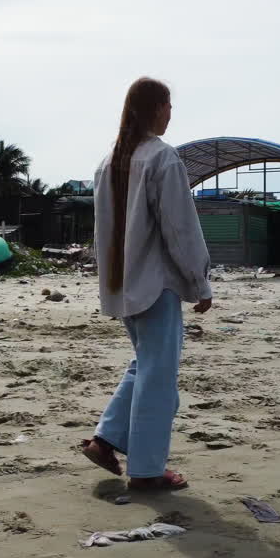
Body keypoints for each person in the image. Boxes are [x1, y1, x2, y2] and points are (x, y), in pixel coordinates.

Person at [80, 77, 213, 491]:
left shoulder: (109, 162)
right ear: (156, 108)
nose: (171, 113)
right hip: (156, 284)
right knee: (159, 377)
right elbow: (180, 228)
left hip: (122, 283)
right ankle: (148, 469)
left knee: (147, 366)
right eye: (169, 105)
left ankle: (106, 441)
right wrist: (199, 281)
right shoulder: (161, 158)